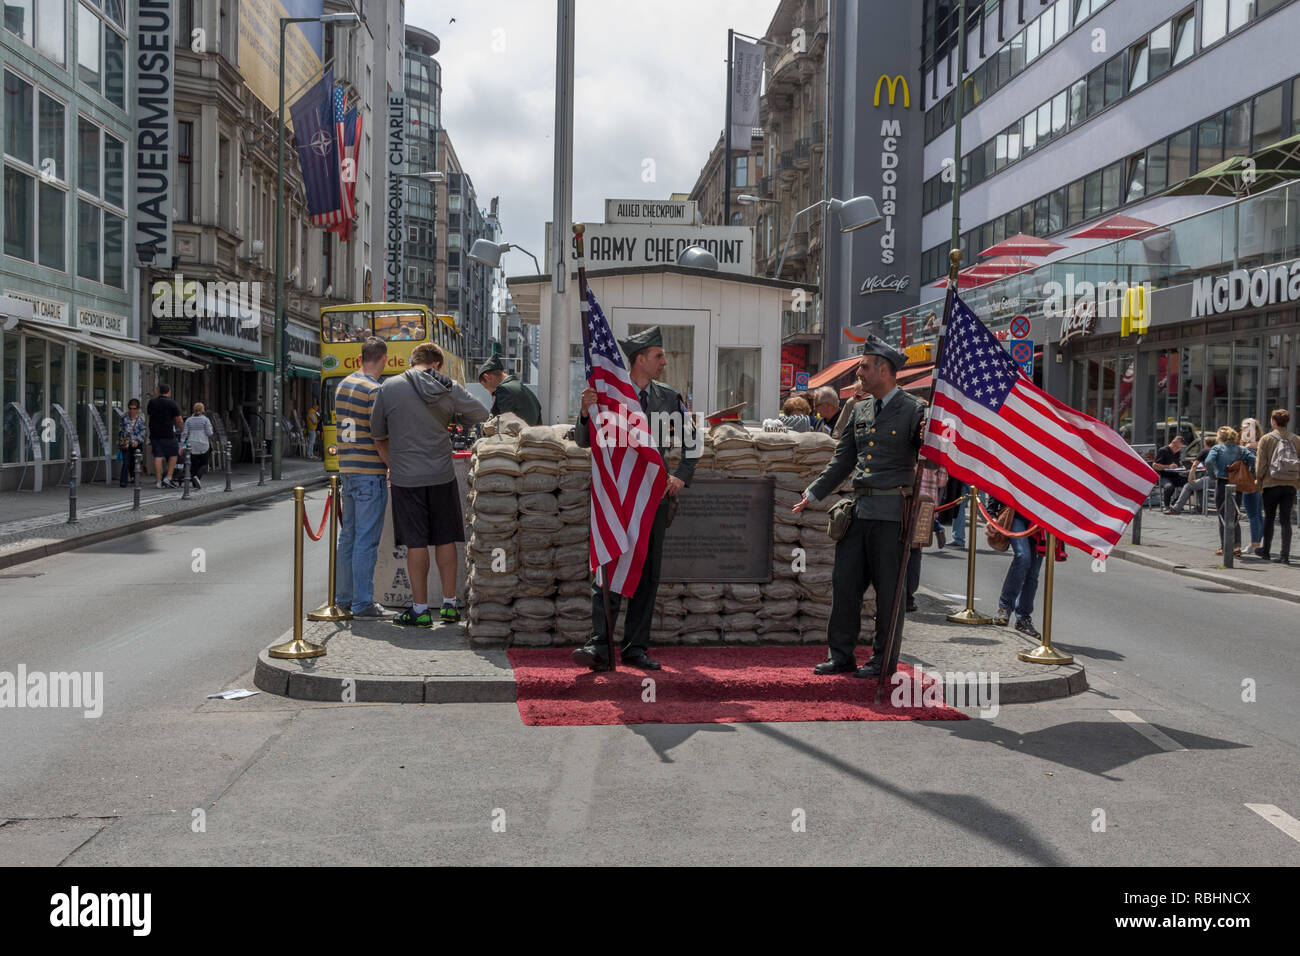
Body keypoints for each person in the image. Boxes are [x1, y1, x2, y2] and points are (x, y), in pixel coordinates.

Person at [793, 333, 927, 679]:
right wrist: (813, 492)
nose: (860, 374)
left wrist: (931, 434)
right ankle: (841, 655)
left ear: (884, 370)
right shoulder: (860, 408)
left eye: (865, 368)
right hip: (857, 512)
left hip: (891, 516)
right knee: (845, 585)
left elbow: (929, 453)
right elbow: (843, 459)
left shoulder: (914, 410)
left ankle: (882, 661)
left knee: (888, 595)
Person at [572, 326, 697, 672]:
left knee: (647, 573)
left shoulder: (669, 398)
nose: (664, 362)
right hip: (617, 497)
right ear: (640, 359)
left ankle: (634, 646)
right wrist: (584, 413)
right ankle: (600, 644)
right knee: (608, 565)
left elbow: (693, 441)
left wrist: (681, 477)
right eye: (658, 356)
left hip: (653, 498)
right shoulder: (609, 395)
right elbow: (584, 440)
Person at [370, 342, 489, 627]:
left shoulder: (390, 387)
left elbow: (377, 435)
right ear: (436, 364)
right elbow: (481, 414)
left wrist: (392, 466)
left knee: (416, 542)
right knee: (446, 538)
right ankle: (449, 606)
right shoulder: (447, 387)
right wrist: (452, 416)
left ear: (413, 361)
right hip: (441, 474)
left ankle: (420, 609)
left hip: (405, 477)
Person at [335, 336, 393, 619]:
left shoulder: (342, 385)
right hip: (370, 473)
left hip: (347, 468)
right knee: (366, 541)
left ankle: (343, 598)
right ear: (383, 359)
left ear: (361, 357)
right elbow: (379, 436)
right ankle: (362, 603)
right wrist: (390, 464)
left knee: (347, 537)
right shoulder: (375, 390)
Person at [990, 495, 1046, 638]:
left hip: (1041, 516)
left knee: (1033, 571)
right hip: (1016, 512)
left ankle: (1023, 618)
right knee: (1023, 556)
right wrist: (992, 513)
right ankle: (1005, 607)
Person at [1254, 408, 1300, 564]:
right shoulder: (1296, 439)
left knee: (1269, 517)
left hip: (1270, 483)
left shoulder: (1266, 439)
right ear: (1287, 422)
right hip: (1290, 484)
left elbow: (1260, 464)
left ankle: (1265, 551)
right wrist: (1296, 484)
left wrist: (1259, 481)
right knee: (1286, 519)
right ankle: (1284, 555)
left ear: (1273, 421)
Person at [1204, 426, 1256, 557]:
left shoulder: (1217, 448)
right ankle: (1237, 545)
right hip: (1237, 484)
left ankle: (1225, 547)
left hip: (1222, 483)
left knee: (1222, 515)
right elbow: (1254, 460)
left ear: (1220, 437)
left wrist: (1212, 475)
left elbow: (1208, 461)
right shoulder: (1241, 449)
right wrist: (1249, 473)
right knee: (1234, 515)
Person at [906, 461, 948, 612]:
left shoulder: (912, 449)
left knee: (903, 547)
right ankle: (909, 596)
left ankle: (902, 592)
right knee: (917, 549)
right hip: (927, 507)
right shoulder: (936, 455)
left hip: (907, 501)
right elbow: (942, 481)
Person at [476, 353, 543, 426]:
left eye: (485, 387)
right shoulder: (524, 389)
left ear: (487, 377)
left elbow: (501, 425)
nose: (488, 391)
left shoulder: (504, 390)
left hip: (517, 436)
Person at [146, 383, 184, 488]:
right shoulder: (172, 403)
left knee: (158, 456)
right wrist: (183, 430)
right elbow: (179, 420)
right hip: (168, 433)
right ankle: (168, 478)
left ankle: (158, 481)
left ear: (159, 391)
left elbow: (149, 417)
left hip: (155, 433)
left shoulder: (152, 402)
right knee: (173, 455)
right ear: (169, 392)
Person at [1169, 437, 1215, 514]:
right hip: (1220, 480)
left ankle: (1176, 509)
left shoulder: (1205, 451)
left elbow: (1194, 465)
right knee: (1199, 485)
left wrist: (1190, 477)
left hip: (1211, 479)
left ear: (1205, 443)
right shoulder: (1218, 451)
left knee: (1188, 486)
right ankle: (1201, 507)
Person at [1239, 418, 1264, 552]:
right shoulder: (1261, 443)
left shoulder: (1248, 447)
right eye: (1243, 429)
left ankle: (1254, 544)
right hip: (1260, 482)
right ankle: (1258, 543)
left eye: (1247, 430)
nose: (1244, 432)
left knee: (1253, 514)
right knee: (1258, 514)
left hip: (1249, 483)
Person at [180, 402, 214, 489]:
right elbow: (209, 433)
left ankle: (195, 482)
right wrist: (211, 429)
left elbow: (184, 433)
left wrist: (181, 445)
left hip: (192, 444)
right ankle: (197, 477)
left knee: (193, 464)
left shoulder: (189, 420)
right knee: (204, 464)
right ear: (203, 410)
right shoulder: (205, 420)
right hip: (203, 444)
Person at [1152, 435, 1187, 511]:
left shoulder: (1177, 452)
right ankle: (1166, 505)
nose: (1177, 449)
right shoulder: (1163, 450)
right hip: (1163, 476)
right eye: (1177, 447)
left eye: (1180, 448)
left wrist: (1181, 466)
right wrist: (1168, 466)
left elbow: (1177, 463)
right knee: (1169, 487)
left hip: (1175, 475)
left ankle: (1177, 503)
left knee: (1190, 484)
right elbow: (1155, 465)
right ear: (1172, 443)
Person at [117, 399, 146, 487]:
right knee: (126, 461)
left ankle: (134, 477)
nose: (131, 411)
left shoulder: (141, 417)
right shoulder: (124, 417)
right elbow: (120, 430)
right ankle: (123, 481)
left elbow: (143, 431)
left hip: (137, 443)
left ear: (137, 409)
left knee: (135, 461)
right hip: (126, 443)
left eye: (134, 409)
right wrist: (122, 442)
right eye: (130, 408)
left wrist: (137, 441)